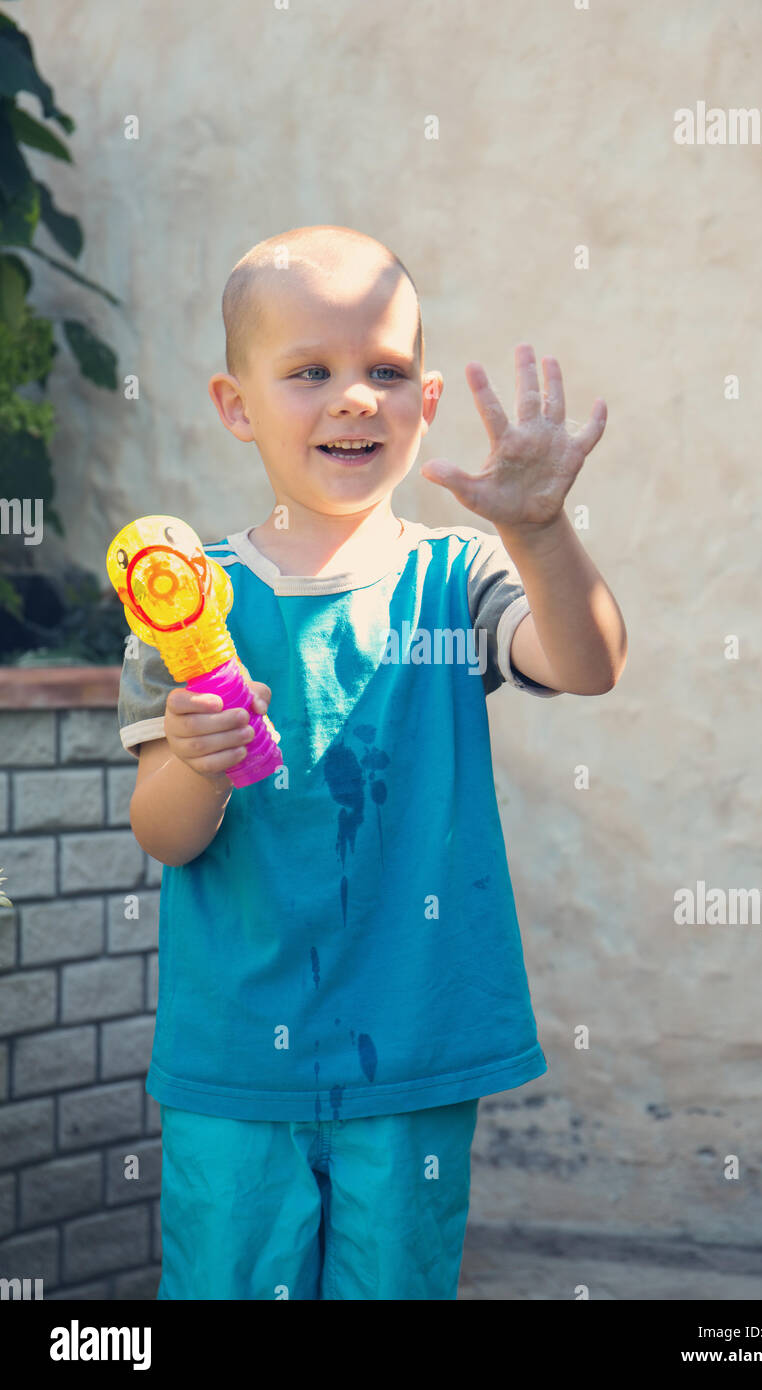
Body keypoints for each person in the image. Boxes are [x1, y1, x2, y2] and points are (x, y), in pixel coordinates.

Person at [116, 224, 627, 1300]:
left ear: (426, 403)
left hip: (415, 1044)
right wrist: (200, 760)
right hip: (236, 1060)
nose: (354, 398)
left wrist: (538, 530)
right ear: (235, 405)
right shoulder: (184, 602)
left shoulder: (457, 578)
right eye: (310, 371)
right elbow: (163, 833)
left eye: (384, 372)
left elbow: (585, 663)